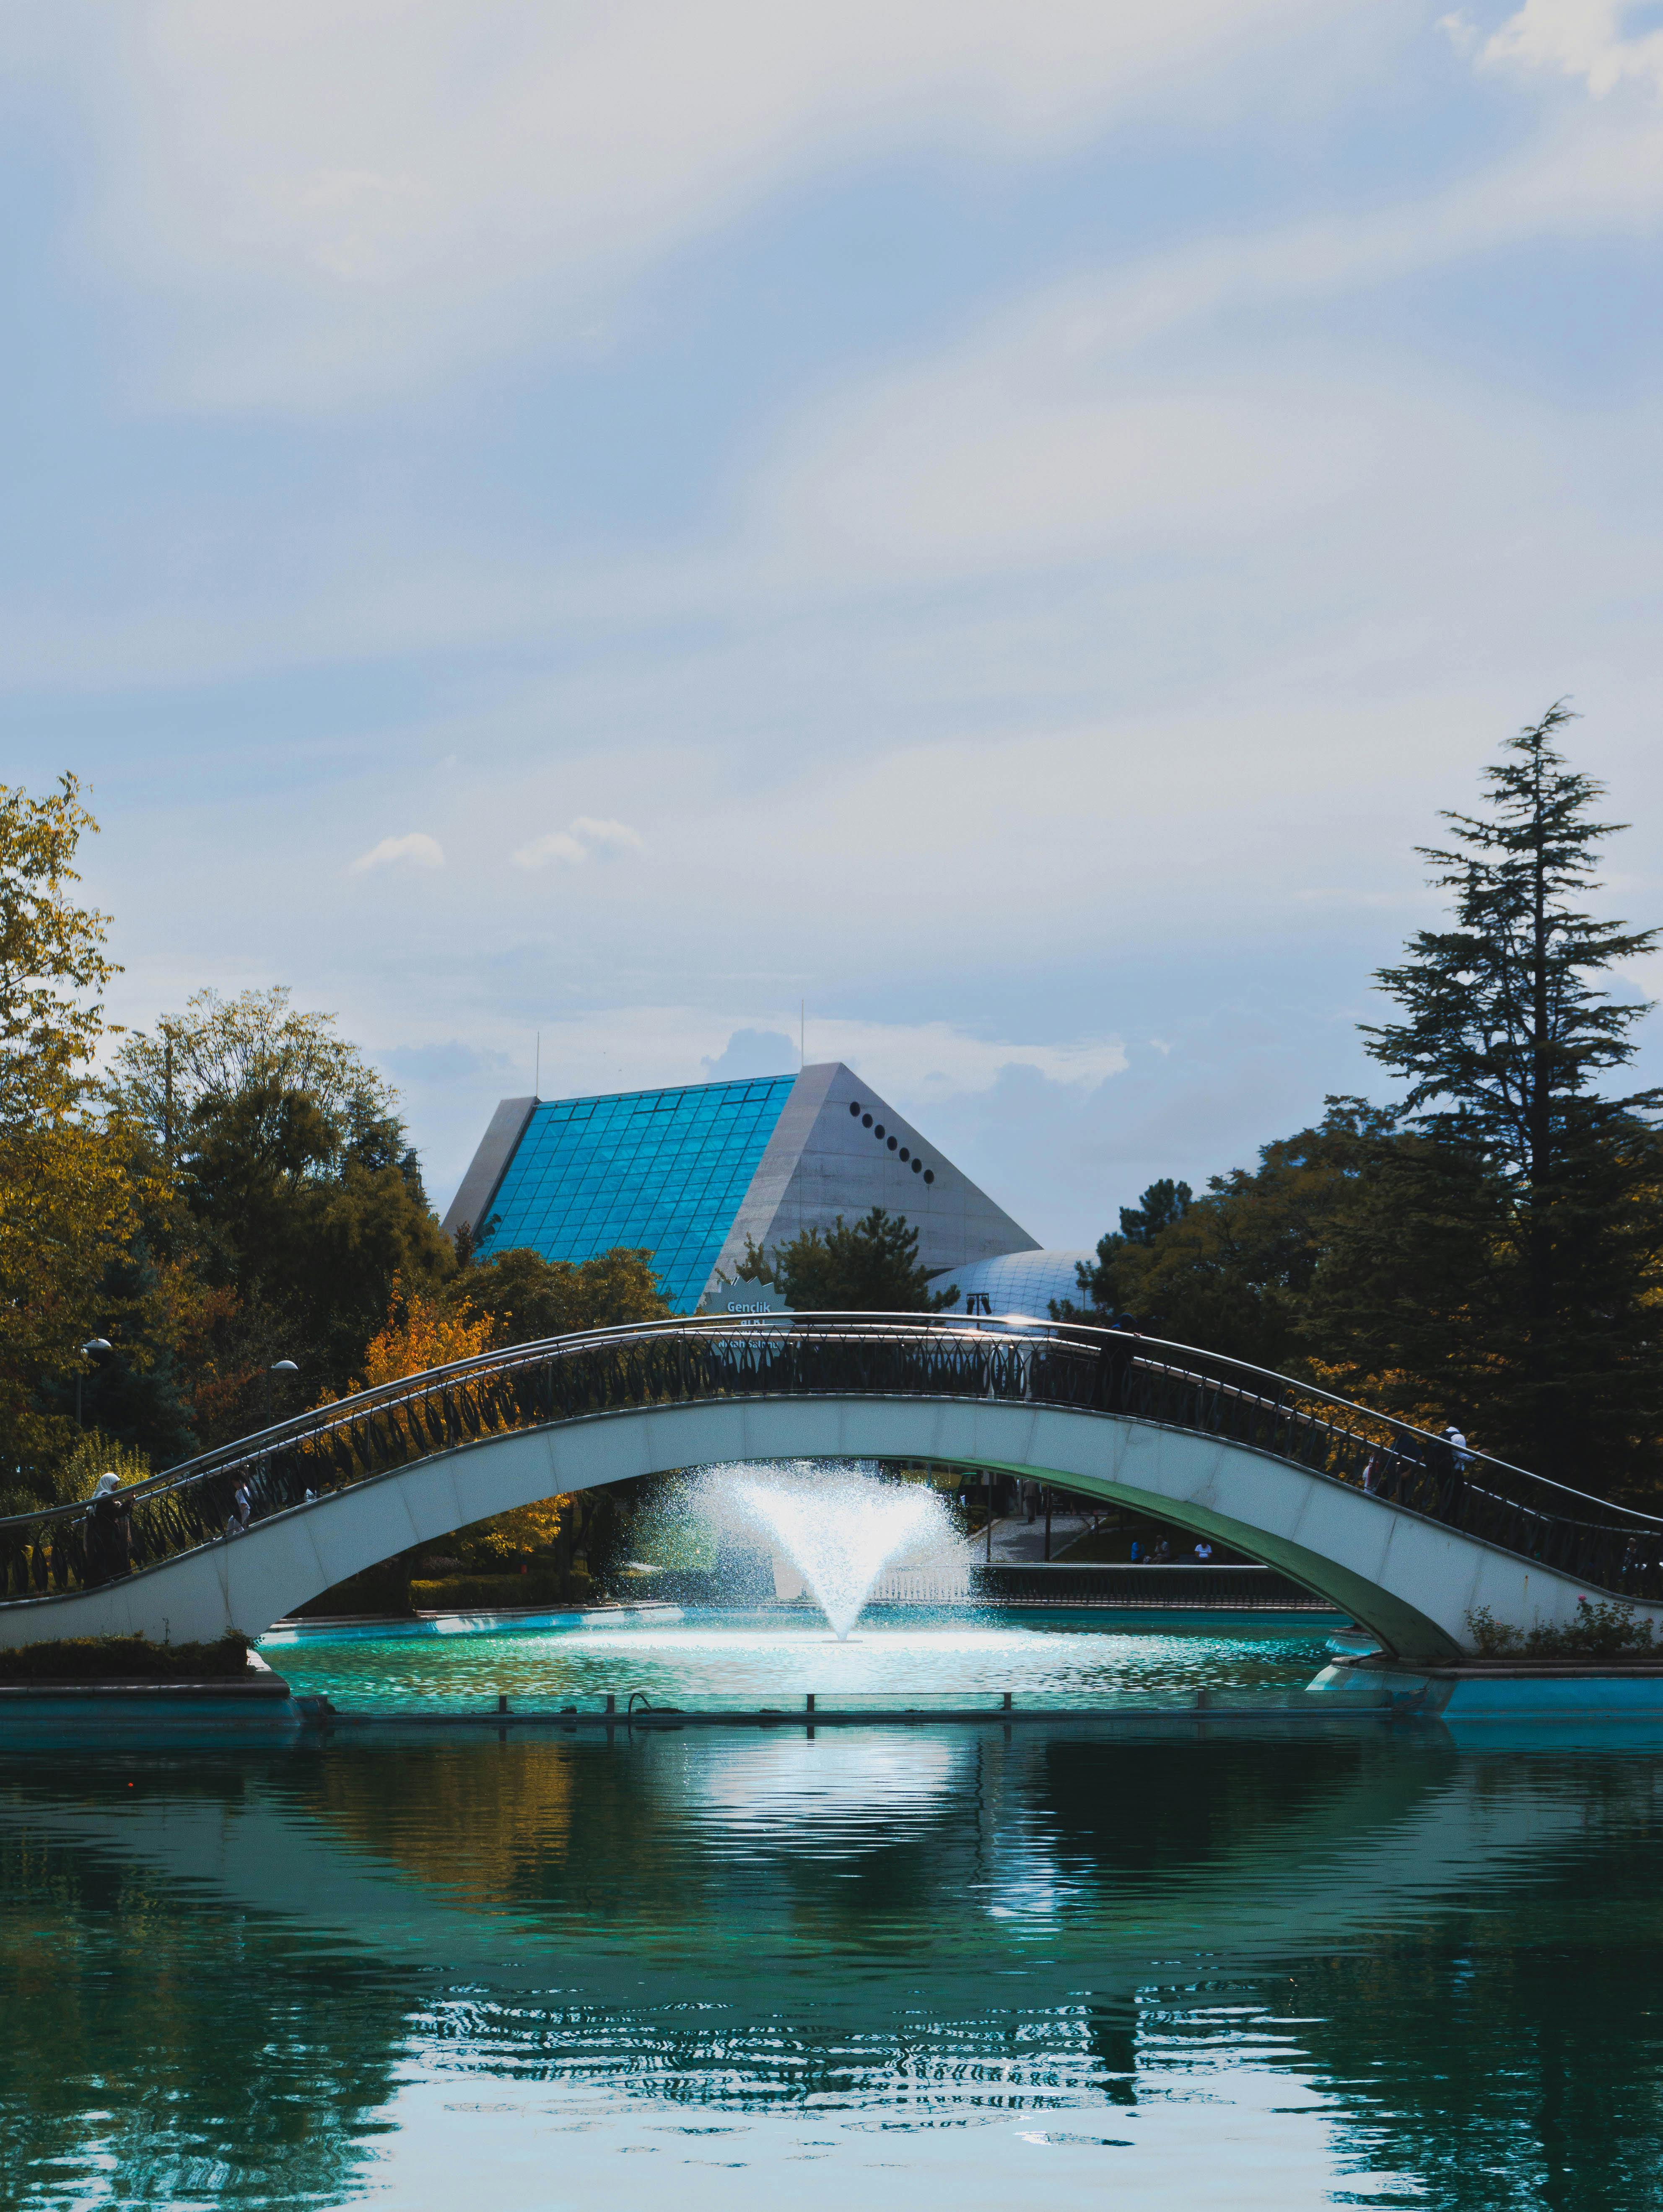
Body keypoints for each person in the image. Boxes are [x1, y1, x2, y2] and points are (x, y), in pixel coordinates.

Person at [84, 1473, 132, 1587]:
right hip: (108, 1536)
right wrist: (129, 1501)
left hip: (101, 1535)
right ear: (108, 1483)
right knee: (115, 1559)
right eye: (114, 1484)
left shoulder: (99, 1495)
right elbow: (116, 1513)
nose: (116, 1487)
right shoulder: (105, 1497)